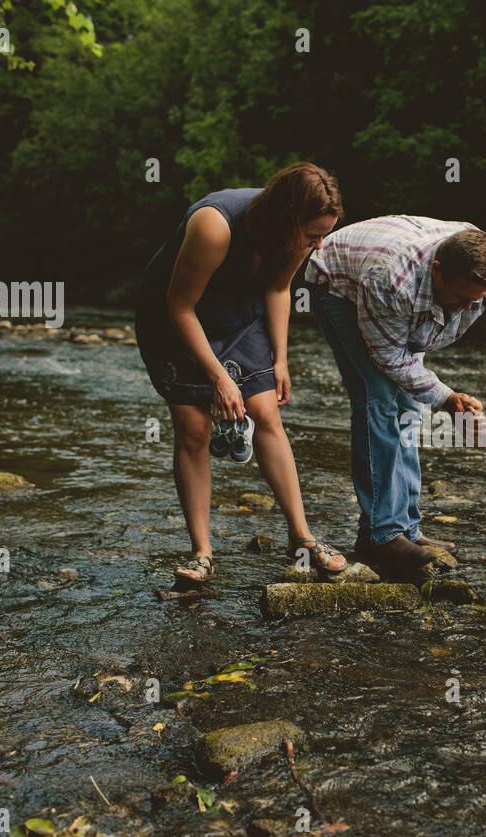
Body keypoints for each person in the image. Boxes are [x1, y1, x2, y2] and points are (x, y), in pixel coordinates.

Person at [307, 217, 486, 571]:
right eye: (459, 298)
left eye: (477, 302)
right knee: (378, 399)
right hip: (338, 285)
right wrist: (446, 397)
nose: (466, 310)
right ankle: (380, 534)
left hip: (392, 285)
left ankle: (406, 527)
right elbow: (391, 359)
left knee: (408, 404)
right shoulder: (391, 282)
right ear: (437, 271)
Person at [134, 163, 347, 584]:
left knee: (266, 413)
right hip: (177, 317)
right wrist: (218, 377)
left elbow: (278, 288)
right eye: (312, 236)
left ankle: (300, 536)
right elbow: (179, 306)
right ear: (287, 220)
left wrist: (280, 359)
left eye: (324, 234)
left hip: (239, 314)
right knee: (194, 428)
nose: (319, 245)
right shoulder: (215, 226)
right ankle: (202, 553)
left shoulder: (300, 236)